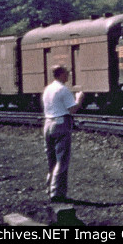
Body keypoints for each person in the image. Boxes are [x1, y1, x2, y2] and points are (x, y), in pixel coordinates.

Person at [42, 65, 84, 203]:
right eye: (67, 73)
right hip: (61, 124)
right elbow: (72, 109)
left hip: (48, 124)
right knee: (62, 160)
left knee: (51, 160)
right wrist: (79, 99)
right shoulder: (63, 90)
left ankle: (49, 189)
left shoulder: (48, 89)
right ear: (60, 74)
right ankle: (57, 193)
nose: (68, 76)